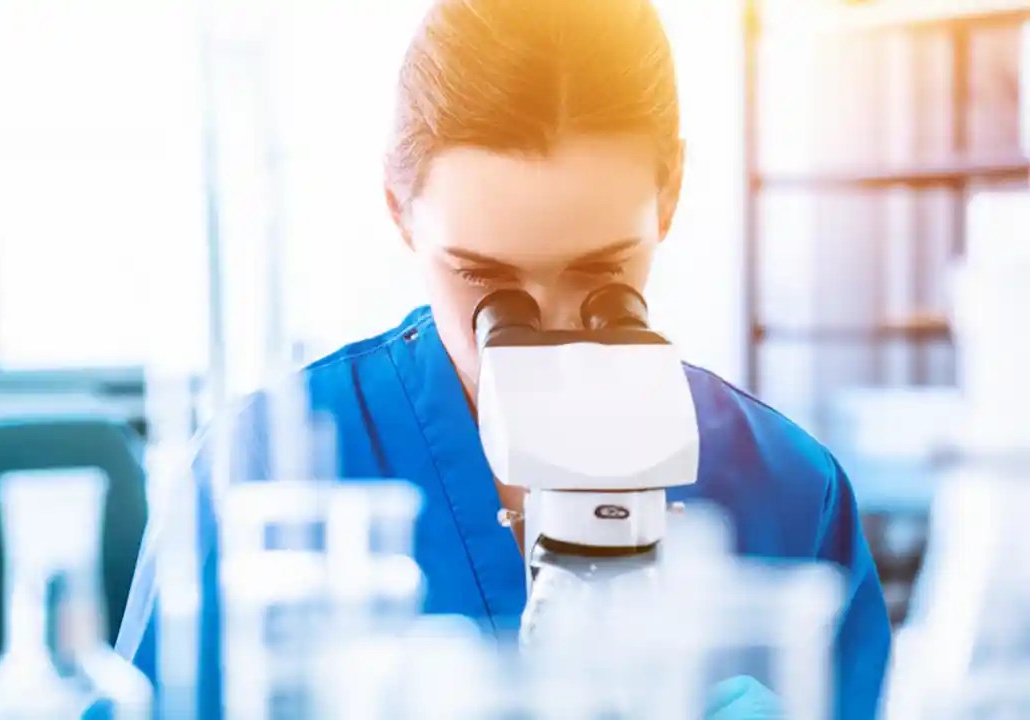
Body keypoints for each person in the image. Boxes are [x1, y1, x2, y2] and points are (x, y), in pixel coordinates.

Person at [118, 0, 891, 717]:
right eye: (487, 285)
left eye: (602, 277)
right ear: (400, 210)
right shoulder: (261, 470)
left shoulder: (792, 491)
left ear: (671, 193)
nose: (549, 332)